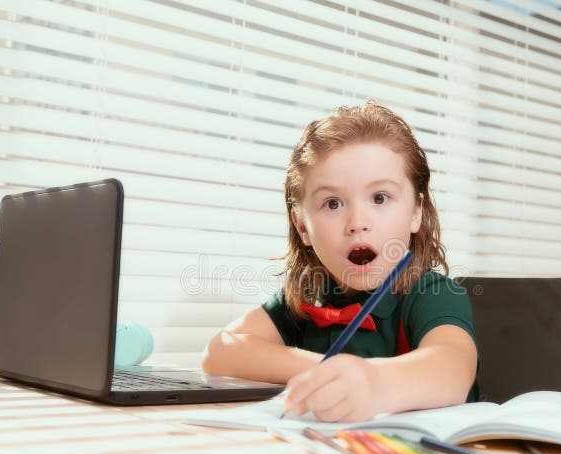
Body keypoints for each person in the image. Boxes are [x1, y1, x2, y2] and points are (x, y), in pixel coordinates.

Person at [202, 101, 478, 422]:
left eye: (379, 198)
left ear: (416, 211)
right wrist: (329, 373)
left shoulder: (432, 292)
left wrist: (372, 382)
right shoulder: (309, 294)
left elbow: (451, 367)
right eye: (332, 203)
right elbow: (220, 351)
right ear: (303, 226)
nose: (357, 222)